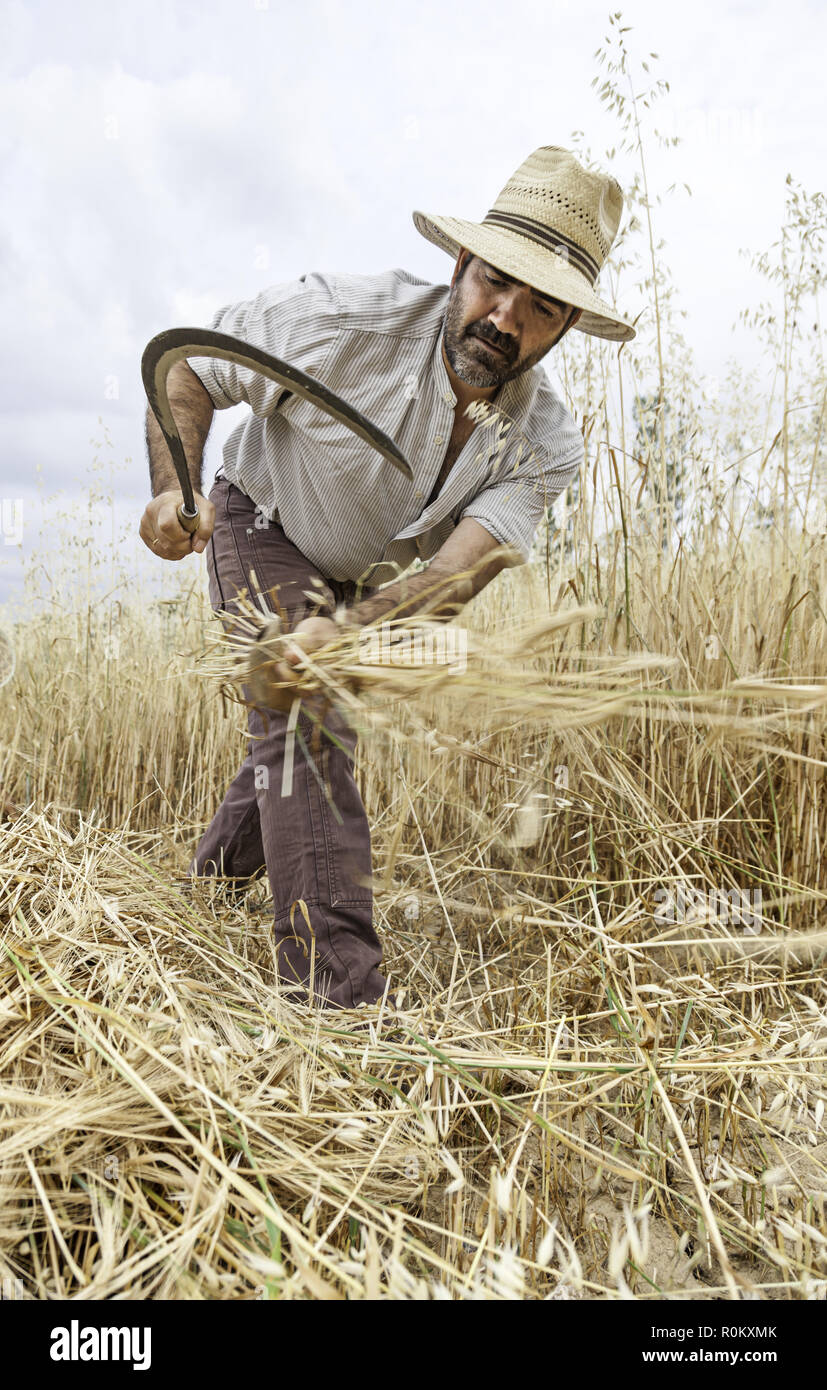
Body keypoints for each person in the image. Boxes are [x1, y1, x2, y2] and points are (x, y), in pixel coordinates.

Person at [139, 144, 635, 1010]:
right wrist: (171, 491)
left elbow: (453, 573)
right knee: (310, 715)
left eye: (539, 308)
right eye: (492, 285)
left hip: (366, 583)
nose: (503, 318)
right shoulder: (341, 320)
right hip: (264, 518)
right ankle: (340, 1008)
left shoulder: (543, 446)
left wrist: (352, 626)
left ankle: (201, 890)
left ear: (564, 328)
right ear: (458, 265)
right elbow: (186, 367)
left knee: (294, 715)